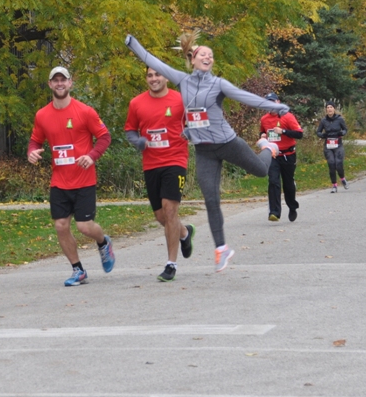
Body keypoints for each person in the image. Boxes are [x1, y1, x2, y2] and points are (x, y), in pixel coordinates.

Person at [125, 33, 283, 272]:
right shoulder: (182, 81)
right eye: (203, 54)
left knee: (261, 171)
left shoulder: (219, 84)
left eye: (211, 55)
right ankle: (221, 249)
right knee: (211, 199)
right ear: (193, 59)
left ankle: (269, 148)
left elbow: (246, 97)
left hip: (228, 143)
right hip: (204, 151)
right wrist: (132, 43)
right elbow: (151, 59)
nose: (207, 57)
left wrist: (275, 106)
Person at [28, 66, 114, 287]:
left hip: (84, 179)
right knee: (61, 225)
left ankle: (103, 243)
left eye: (63, 80)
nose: (59, 84)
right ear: (50, 84)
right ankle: (78, 270)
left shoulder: (85, 112)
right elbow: (36, 140)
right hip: (59, 181)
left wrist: (92, 156)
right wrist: (32, 151)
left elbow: (104, 137)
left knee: (85, 227)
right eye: (55, 80)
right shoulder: (42, 115)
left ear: (70, 83)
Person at [124, 67, 194, 282]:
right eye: (150, 75)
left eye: (158, 75)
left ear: (166, 77)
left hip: (175, 160)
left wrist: (190, 132)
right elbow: (130, 131)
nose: (154, 79)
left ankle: (170, 264)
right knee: (160, 216)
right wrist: (138, 142)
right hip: (151, 164)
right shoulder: (136, 103)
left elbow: (198, 121)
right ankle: (184, 233)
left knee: (170, 209)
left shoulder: (181, 99)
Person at [261, 92, 303, 221]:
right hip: (273, 154)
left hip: (288, 154)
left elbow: (299, 134)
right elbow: (263, 131)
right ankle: (274, 212)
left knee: (288, 183)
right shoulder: (264, 119)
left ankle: (292, 206)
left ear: (278, 102)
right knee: (273, 181)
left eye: (273, 102)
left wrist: (283, 131)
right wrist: (262, 136)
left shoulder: (288, 117)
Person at [316, 102, 348, 192]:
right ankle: (334, 185)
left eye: (331, 107)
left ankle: (342, 179)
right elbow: (318, 131)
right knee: (331, 164)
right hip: (328, 145)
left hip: (338, 144)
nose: (329, 109)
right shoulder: (323, 120)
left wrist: (342, 133)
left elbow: (345, 129)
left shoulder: (339, 119)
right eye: (328, 107)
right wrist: (322, 135)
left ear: (334, 109)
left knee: (338, 164)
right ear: (326, 109)